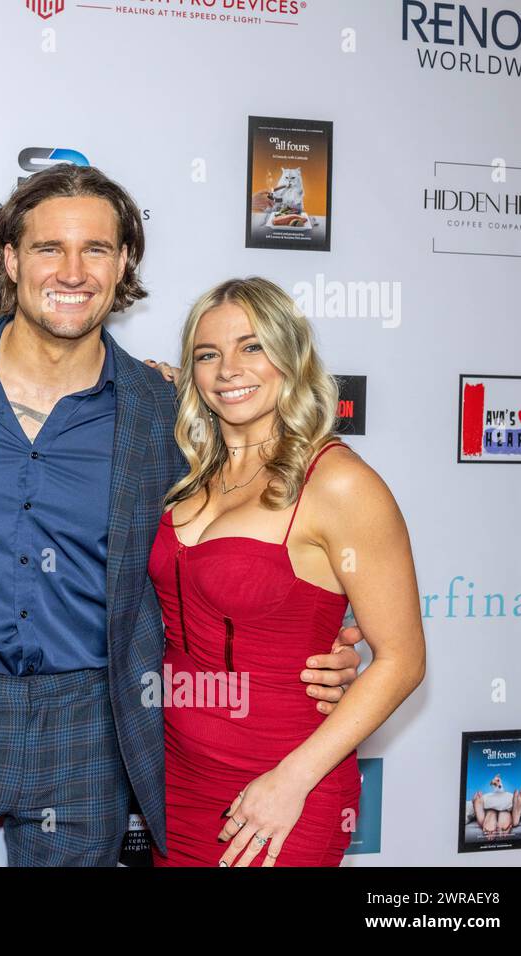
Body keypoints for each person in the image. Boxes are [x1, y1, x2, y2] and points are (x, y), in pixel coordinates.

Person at [0, 164, 364, 867]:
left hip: (89, 726)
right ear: (10, 258)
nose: (73, 271)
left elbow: (234, 542)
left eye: (95, 249)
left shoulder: (162, 409)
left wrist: (323, 638)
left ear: (123, 262)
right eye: (48, 249)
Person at [149, 276, 426, 866]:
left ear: (291, 357)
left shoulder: (339, 483)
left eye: (252, 347)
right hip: (175, 781)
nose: (228, 369)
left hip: (279, 785)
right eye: (208, 354)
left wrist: (290, 782)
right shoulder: (191, 470)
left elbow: (403, 660)